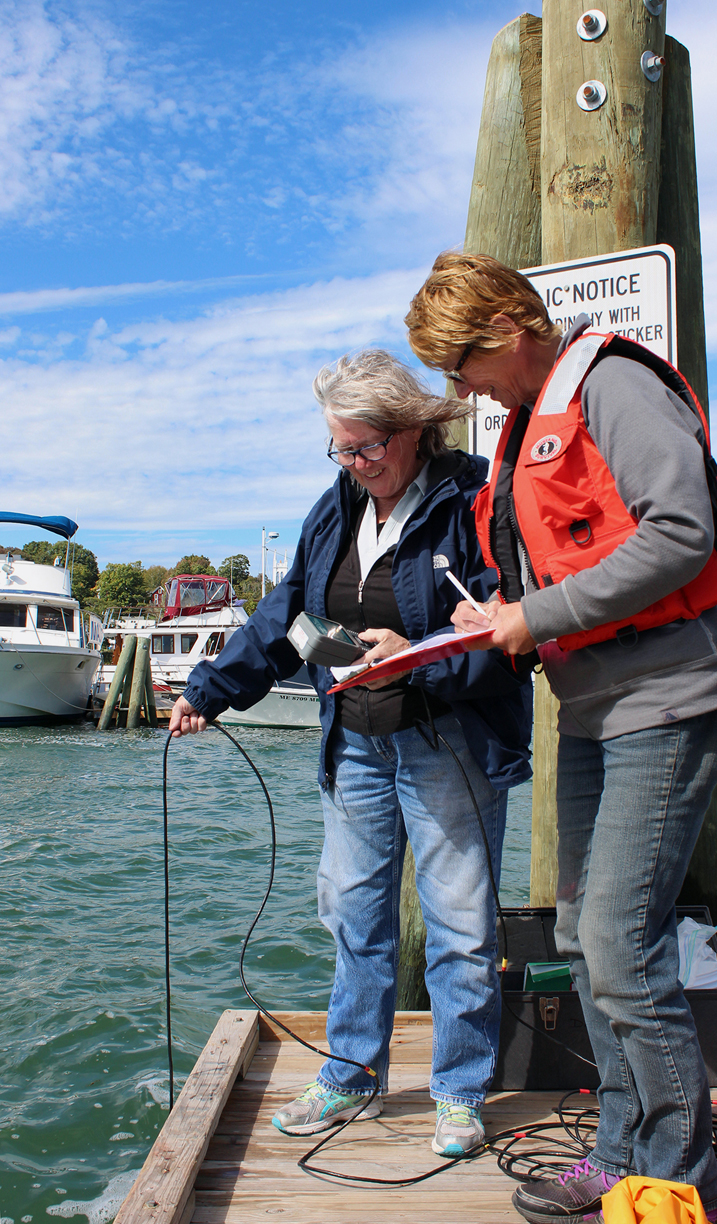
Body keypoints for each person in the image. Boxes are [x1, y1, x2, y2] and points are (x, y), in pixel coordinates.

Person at [404, 253, 717, 1223]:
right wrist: (500, 613)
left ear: (507, 333)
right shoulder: (530, 418)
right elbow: (562, 562)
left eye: (462, 367)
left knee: (617, 941)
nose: (462, 391)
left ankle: (674, 1181)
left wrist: (537, 614)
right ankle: (616, 1153)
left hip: (670, 695)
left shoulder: (612, 384)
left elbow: (678, 532)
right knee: (581, 936)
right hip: (594, 706)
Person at [169, 348, 533, 1158]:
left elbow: (512, 630)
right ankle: (351, 1074)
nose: (356, 463)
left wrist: (417, 654)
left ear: (412, 430)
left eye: (368, 446)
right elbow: (286, 616)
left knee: (461, 927)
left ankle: (459, 1092)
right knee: (354, 917)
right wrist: (208, 690)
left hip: (451, 744)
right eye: (341, 449)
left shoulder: (477, 497)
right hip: (357, 745)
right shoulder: (334, 508)